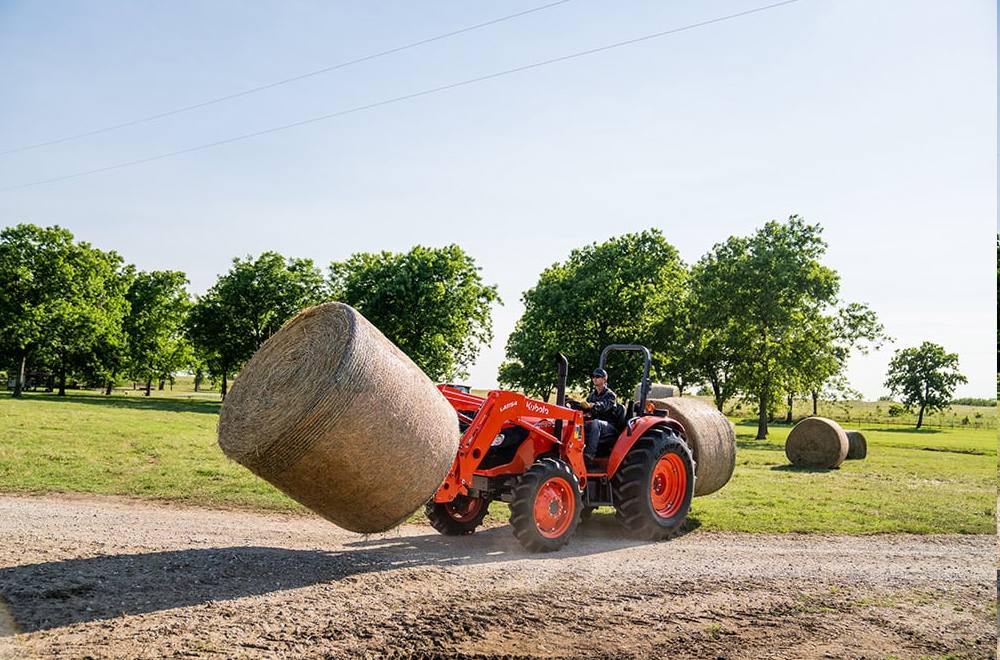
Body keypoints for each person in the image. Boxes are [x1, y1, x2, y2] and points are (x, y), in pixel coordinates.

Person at [577, 368, 618, 461]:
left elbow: (604, 406)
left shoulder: (610, 395)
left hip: (609, 426)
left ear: (604, 379)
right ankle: (576, 450)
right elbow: (586, 409)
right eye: (593, 377)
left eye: (597, 376)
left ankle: (589, 454)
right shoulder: (592, 395)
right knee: (577, 424)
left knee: (596, 423)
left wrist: (592, 405)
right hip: (594, 424)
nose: (594, 379)